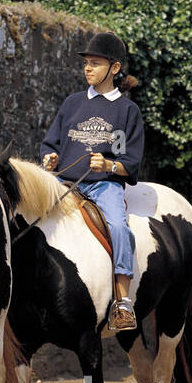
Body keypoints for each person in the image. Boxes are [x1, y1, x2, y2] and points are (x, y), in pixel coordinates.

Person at [39, 32, 144, 332]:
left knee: (120, 228)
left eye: (95, 64)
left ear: (114, 68)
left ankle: (122, 301)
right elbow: (51, 143)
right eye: (86, 63)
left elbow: (131, 161)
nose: (87, 69)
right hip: (63, 184)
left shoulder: (126, 111)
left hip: (103, 186)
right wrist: (50, 158)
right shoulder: (72, 104)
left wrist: (111, 164)